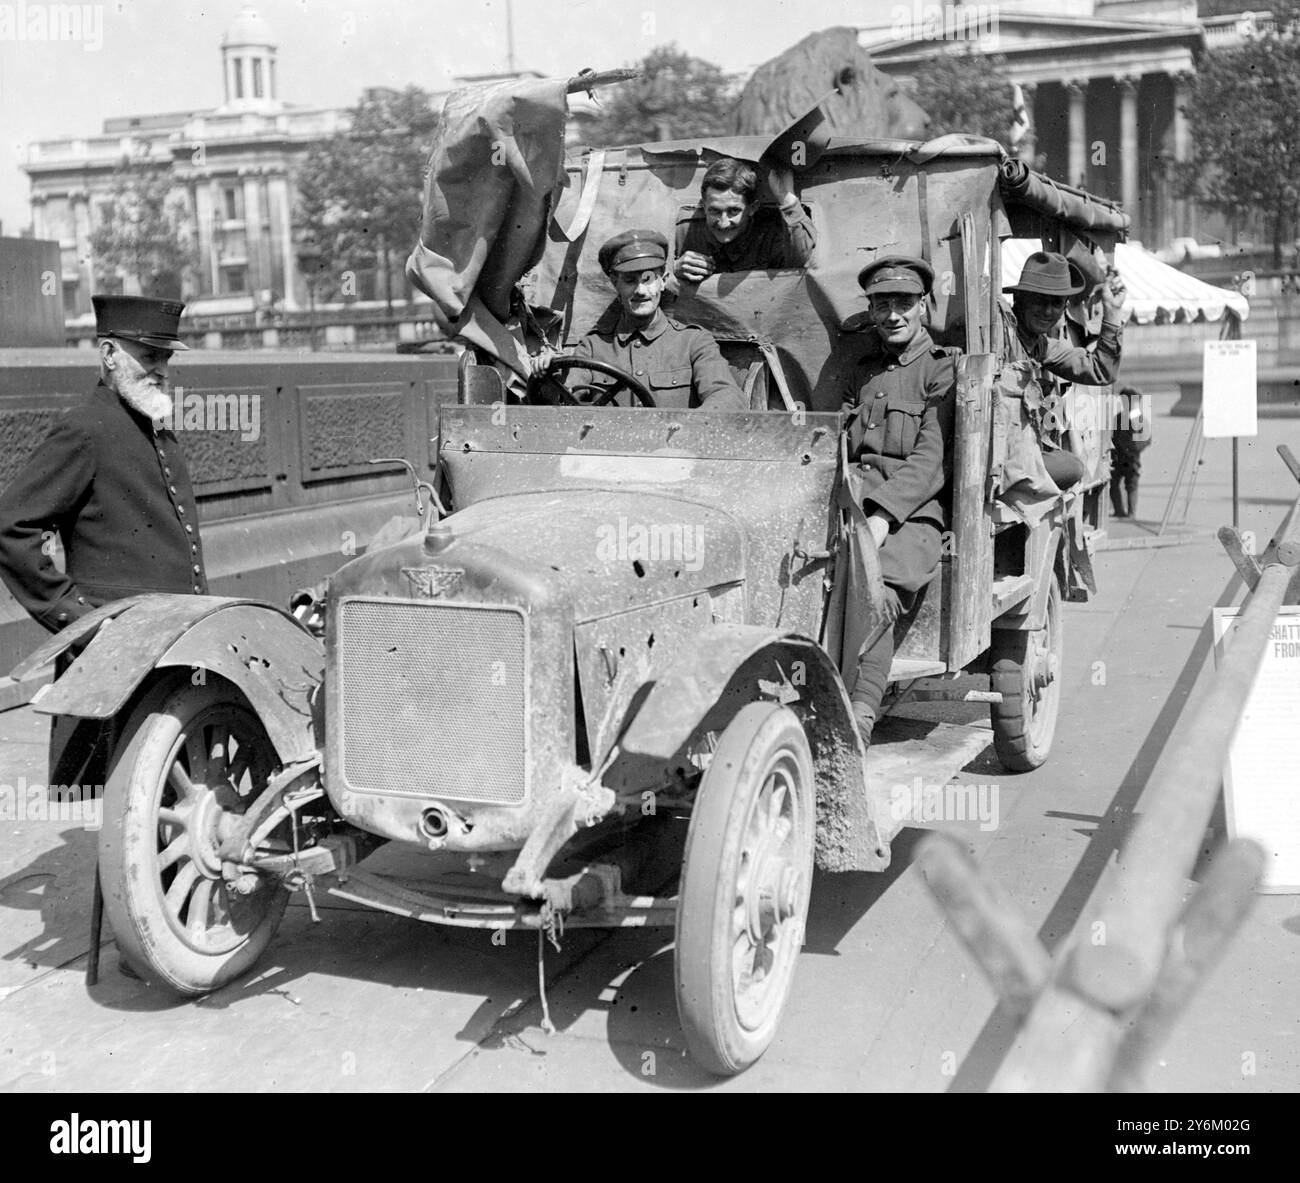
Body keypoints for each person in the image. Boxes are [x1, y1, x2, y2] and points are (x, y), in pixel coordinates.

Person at [0, 294, 206, 787]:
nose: (161, 369)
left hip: (171, 643)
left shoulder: (155, 427)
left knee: (164, 794)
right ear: (109, 355)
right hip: (118, 652)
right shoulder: (84, 429)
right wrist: (79, 620)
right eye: (149, 355)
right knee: (127, 797)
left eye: (166, 357)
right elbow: (12, 527)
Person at [839, 256, 957, 747]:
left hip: (913, 516)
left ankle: (859, 722)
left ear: (924, 305)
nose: (892, 315)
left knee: (875, 593)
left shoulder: (942, 370)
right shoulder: (864, 371)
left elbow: (932, 457)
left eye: (903, 303)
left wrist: (884, 515)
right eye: (881, 304)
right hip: (853, 502)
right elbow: (838, 439)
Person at [571, 229, 748, 410]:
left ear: (663, 281)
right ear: (616, 283)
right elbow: (562, 401)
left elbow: (727, 397)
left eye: (648, 279)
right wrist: (542, 370)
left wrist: (687, 428)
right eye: (630, 281)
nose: (640, 290)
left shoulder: (693, 342)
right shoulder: (593, 347)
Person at [1003, 250, 1124, 490]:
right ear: (1020, 299)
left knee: (1071, 467)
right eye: (1039, 300)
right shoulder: (998, 335)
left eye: (1056, 303)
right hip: (996, 454)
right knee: (1070, 468)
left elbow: (1101, 371)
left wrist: (1111, 310)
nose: (1048, 311)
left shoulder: (1043, 347)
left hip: (1018, 453)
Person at [673, 157, 814, 283]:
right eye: (715, 211)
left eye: (733, 211)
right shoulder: (685, 231)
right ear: (704, 207)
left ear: (752, 208)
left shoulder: (770, 235)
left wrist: (787, 199)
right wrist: (673, 268)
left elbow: (801, 261)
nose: (723, 223)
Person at [1109, 386, 1150, 519]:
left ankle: (1131, 513)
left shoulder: (1140, 419)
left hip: (1132, 459)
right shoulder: (1118, 418)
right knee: (1113, 483)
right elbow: (1112, 436)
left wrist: (1132, 447)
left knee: (1131, 485)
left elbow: (1145, 440)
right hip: (1117, 458)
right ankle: (1119, 510)